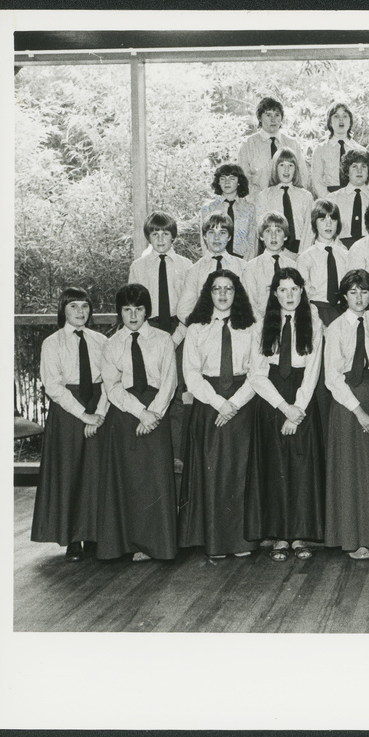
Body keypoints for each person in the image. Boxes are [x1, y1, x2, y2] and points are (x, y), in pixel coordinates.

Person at [178, 269, 260, 559]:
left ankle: (241, 542)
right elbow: (191, 373)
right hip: (209, 405)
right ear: (208, 293)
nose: (223, 294)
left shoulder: (250, 327)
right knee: (212, 471)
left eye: (228, 289)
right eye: (216, 289)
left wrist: (235, 403)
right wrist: (218, 402)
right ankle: (215, 541)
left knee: (240, 471)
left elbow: (257, 372)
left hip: (243, 402)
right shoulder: (197, 328)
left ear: (237, 294)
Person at [246, 268, 325, 562]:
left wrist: (298, 410)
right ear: (274, 294)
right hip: (272, 400)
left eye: (294, 290)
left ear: (302, 292)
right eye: (283, 290)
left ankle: (301, 535)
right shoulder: (262, 326)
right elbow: (256, 375)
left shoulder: (313, 325)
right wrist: (283, 408)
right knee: (276, 467)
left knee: (302, 468)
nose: (289, 296)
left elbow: (313, 370)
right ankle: (279, 536)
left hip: (302, 399)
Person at [96, 283, 177, 561]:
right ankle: (132, 544)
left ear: (147, 311)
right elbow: (112, 386)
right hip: (126, 413)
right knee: (130, 480)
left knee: (155, 478)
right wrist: (140, 413)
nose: (133, 316)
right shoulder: (112, 344)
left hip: (157, 411)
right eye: (127, 310)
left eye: (139, 309)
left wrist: (153, 413)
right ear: (120, 312)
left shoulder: (163, 339)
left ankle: (159, 545)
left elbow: (169, 381)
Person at [31, 287, 109, 562]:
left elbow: (111, 380)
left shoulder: (100, 340)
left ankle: (96, 535)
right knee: (71, 472)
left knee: (96, 473)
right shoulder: (52, 343)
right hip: (68, 411)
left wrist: (98, 414)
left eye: (85, 306)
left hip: (98, 407)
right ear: (63, 309)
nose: (80, 312)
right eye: (74, 306)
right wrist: (83, 415)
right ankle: (73, 539)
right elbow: (53, 385)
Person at [322, 269, 369, 560]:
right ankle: (353, 540)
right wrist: (359, 412)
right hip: (348, 404)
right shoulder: (336, 328)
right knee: (351, 472)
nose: (359, 297)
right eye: (353, 292)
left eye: (364, 292)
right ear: (344, 296)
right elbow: (332, 378)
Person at [127, 211, 190, 460]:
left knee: (176, 395)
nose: (160, 238)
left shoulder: (186, 266)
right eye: (155, 233)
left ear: (173, 236)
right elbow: (132, 308)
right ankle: (153, 457)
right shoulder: (139, 266)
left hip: (178, 332)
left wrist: (176, 337)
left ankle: (177, 458)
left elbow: (191, 308)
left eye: (165, 233)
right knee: (152, 391)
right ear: (148, 237)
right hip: (149, 334)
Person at [178, 212, 245, 324]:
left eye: (222, 233)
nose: (216, 238)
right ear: (204, 236)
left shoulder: (242, 266)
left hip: (236, 330)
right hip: (205, 331)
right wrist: (200, 327)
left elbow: (250, 304)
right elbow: (183, 310)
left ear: (229, 237)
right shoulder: (194, 270)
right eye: (211, 232)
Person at [297, 198, 351, 327]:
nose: (328, 224)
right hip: (316, 310)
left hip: (342, 310)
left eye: (332, 219)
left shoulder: (346, 255)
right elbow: (302, 293)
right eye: (322, 220)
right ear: (314, 224)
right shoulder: (306, 257)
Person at [237, 96, 306, 195]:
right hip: (257, 203)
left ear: (281, 118)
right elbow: (243, 180)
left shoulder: (293, 144)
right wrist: (262, 200)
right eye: (268, 115)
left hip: (290, 200)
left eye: (277, 115)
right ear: (260, 118)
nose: (273, 120)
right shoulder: (248, 145)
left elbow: (303, 176)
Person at [255, 147, 315, 258]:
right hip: (273, 249)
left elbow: (309, 229)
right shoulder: (264, 196)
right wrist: (281, 252)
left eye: (290, 165)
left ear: (296, 169)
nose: (286, 170)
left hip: (300, 249)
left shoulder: (306, 196)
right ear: (275, 168)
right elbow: (261, 230)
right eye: (282, 165)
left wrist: (301, 255)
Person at [199, 163, 259, 261]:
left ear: (239, 182)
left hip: (241, 260)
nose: (227, 182)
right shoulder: (208, 208)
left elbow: (252, 241)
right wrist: (211, 261)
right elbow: (204, 240)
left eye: (232, 178)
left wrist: (246, 265)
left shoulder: (250, 209)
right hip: (216, 258)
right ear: (218, 182)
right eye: (223, 178)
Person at [242, 212, 293, 320]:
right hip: (261, 322)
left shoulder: (294, 266)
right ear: (261, 236)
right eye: (268, 231)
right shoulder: (251, 268)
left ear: (285, 236)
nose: (273, 236)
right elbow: (250, 303)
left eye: (278, 231)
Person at [311, 101, 367, 198]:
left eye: (345, 116)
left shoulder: (361, 150)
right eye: (336, 116)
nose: (341, 120)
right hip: (329, 199)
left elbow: (367, 182)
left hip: (356, 197)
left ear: (350, 121)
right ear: (330, 122)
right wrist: (329, 201)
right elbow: (317, 181)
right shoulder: (320, 150)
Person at [328, 148, 369, 247]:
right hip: (340, 248)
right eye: (354, 166)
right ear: (347, 171)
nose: (359, 170)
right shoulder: (333, 199)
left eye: (363, 166)